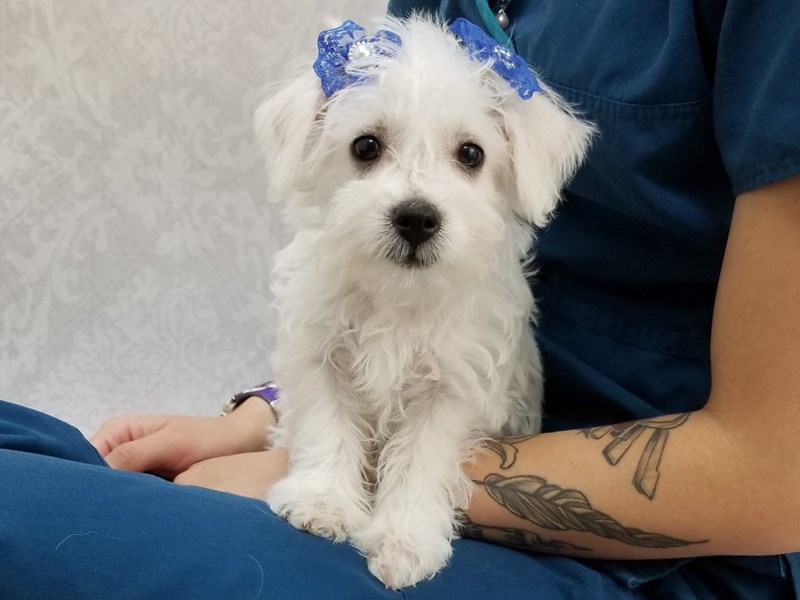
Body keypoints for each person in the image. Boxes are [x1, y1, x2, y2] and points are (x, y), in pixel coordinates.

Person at [2, 0, 799, 597]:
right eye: (369, 150)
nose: (415, 195)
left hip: (649, 557)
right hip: (383, 451)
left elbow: (777, 474)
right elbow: (372, 314)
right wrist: (262, 417)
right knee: (24, 442)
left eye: (466, 157)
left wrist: (370, 483)